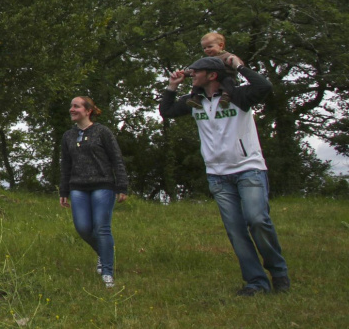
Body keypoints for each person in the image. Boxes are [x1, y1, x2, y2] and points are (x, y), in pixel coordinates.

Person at [160, 54, 290, 296]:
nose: (192, 75)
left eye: (196, 72)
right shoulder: (194, 101)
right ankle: (256, 283)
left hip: (248, 168)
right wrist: (171, 86)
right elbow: (166, 111)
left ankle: (279, 272)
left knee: (258, 220)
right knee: (236, 231)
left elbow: (265, 86)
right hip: (217, 175)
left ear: (212, 75)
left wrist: (238, 66)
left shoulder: (238, 96)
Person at [59, 96, 128, 289]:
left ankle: (107, 272)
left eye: (76, 106)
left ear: (88, 111)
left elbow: (116, 159)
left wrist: (122, 186)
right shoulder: (68, 136)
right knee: (82, 227)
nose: (72, 109)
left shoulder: (102, 132)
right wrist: (63, 190)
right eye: (71, 106)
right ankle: (104, 253)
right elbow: (65, 165)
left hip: (103, 185)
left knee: (102, 228)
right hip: (78, 187)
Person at [187, 32, 238, 109]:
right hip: (213, 79)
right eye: (204, 48)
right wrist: (184, 73)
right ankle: (196, 98)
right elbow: (197, 70)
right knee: (198, 83)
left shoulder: (227, 56)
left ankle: (225, 97)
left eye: (209, 47)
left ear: (221, 45)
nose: (207, 50)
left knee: (228, 81)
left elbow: (239, 64)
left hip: (226, 76)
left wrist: (235, 62)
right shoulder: (207, 60)